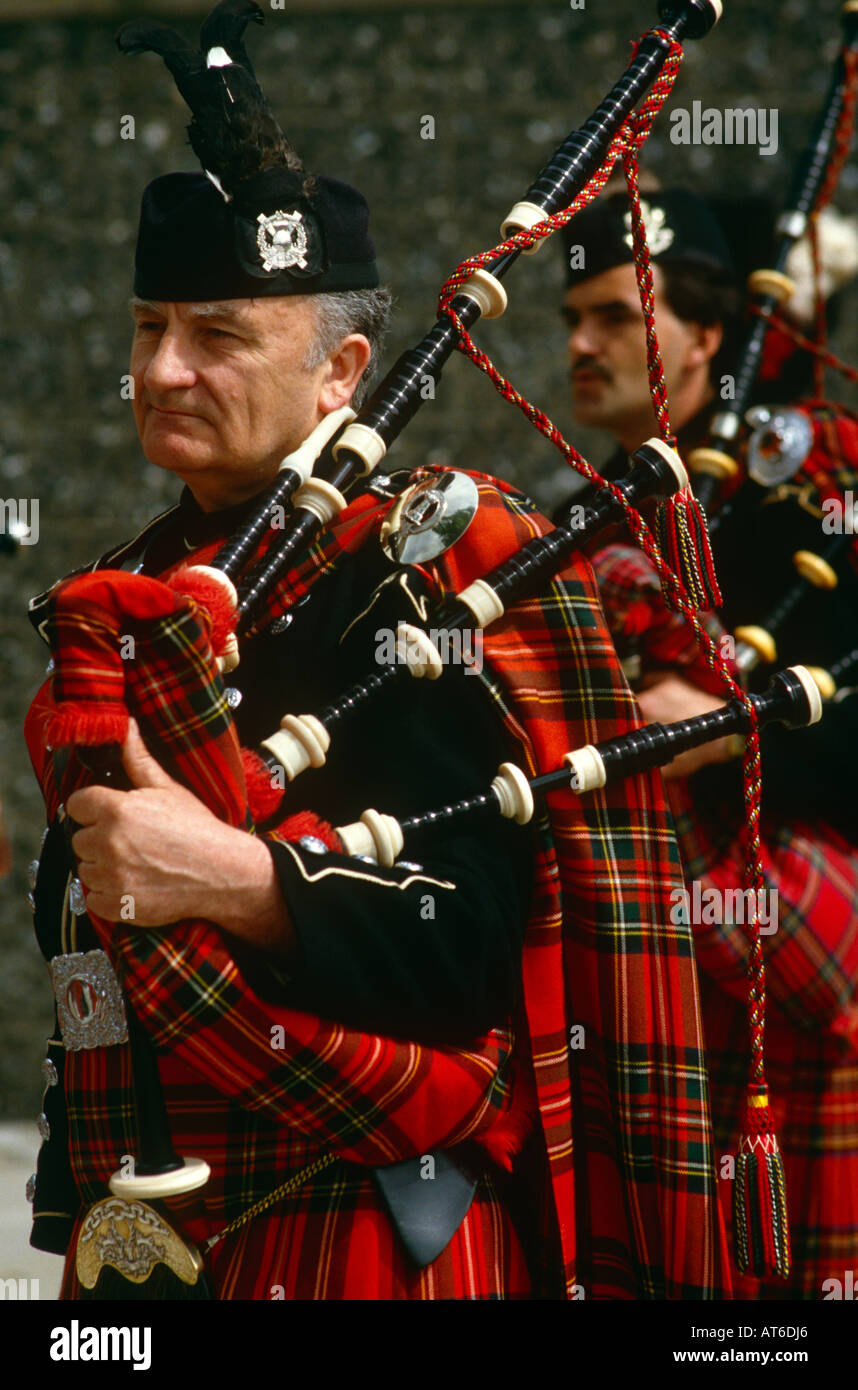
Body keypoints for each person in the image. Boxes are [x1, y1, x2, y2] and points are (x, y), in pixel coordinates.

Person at [23, 4, 730, 1301]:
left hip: (368, 1228)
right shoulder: (139, 593)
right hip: (155, 1235)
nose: (164, 369)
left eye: (220, 335)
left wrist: (247, 880)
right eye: (145, 327)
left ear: (342, 370)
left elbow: (476, 942)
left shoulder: (427, 569)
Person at [557, 186, 858, 1298]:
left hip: (797, 977)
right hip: (640, 999)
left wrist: (735, 733)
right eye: (569, 320)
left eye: (614, 316)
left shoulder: (815, 488)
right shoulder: (575, 524)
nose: (582, 345)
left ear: (712, 334)